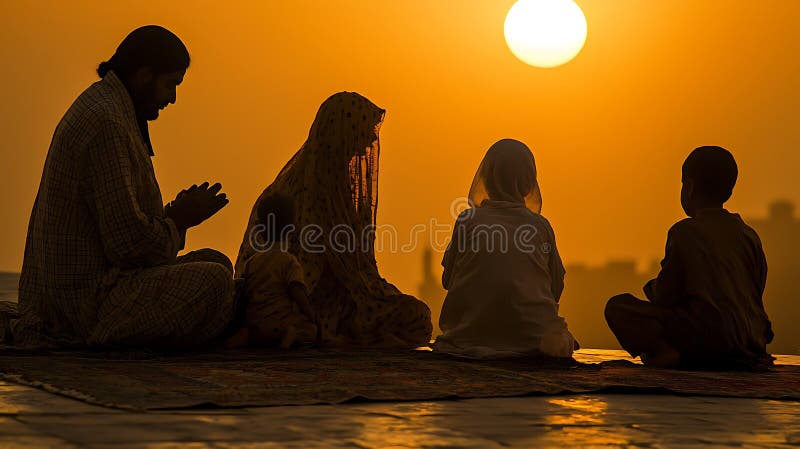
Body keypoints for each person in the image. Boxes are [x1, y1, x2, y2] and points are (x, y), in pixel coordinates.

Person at [10, 25, 235, 348]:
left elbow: (120, 227)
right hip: (85, 308)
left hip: (91, 289)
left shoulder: (109, 108)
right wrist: (180, 220)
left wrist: (170, 215)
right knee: (214, 282)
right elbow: (127, 246)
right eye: (170, 85)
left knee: (218, 263)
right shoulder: (107, 124)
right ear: (144, 76)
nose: (172, 99)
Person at [235, 92, 432, 348]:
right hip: (302, 302)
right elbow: (302, 271)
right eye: (365, 129)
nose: (372, 137)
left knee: (416, 315)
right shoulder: (297, 191)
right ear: (343, 131)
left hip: (340, 299)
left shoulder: (336, 188)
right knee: (413, 318)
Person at [605, 146, 774, 370]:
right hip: (751, 341)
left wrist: (652, 288)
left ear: (690, 188)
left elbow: (666, 295)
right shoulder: (749, 235)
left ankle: (665, 353)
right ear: (729, 191)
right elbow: (755, 290)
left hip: (707, 339)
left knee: (618, 306)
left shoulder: (684, 232)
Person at [432, 139, 576, 359]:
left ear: (487, 180)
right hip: (535, 342)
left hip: (469, 337)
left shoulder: (468, 220)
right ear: (529, 183)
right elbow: (556, 286)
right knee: (559, 336)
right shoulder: (540, 226)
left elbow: (448, 280)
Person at [226, 194, 317, 349]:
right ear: (292, 229)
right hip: (278, 324)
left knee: (252, 332)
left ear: (260, 230)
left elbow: (245, 293)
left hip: (255, 324)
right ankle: (289, 336)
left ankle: (246, 335)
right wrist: (311, 315)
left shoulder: (252, 262)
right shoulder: (289, 261)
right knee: (310, 329)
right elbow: (297, 292)